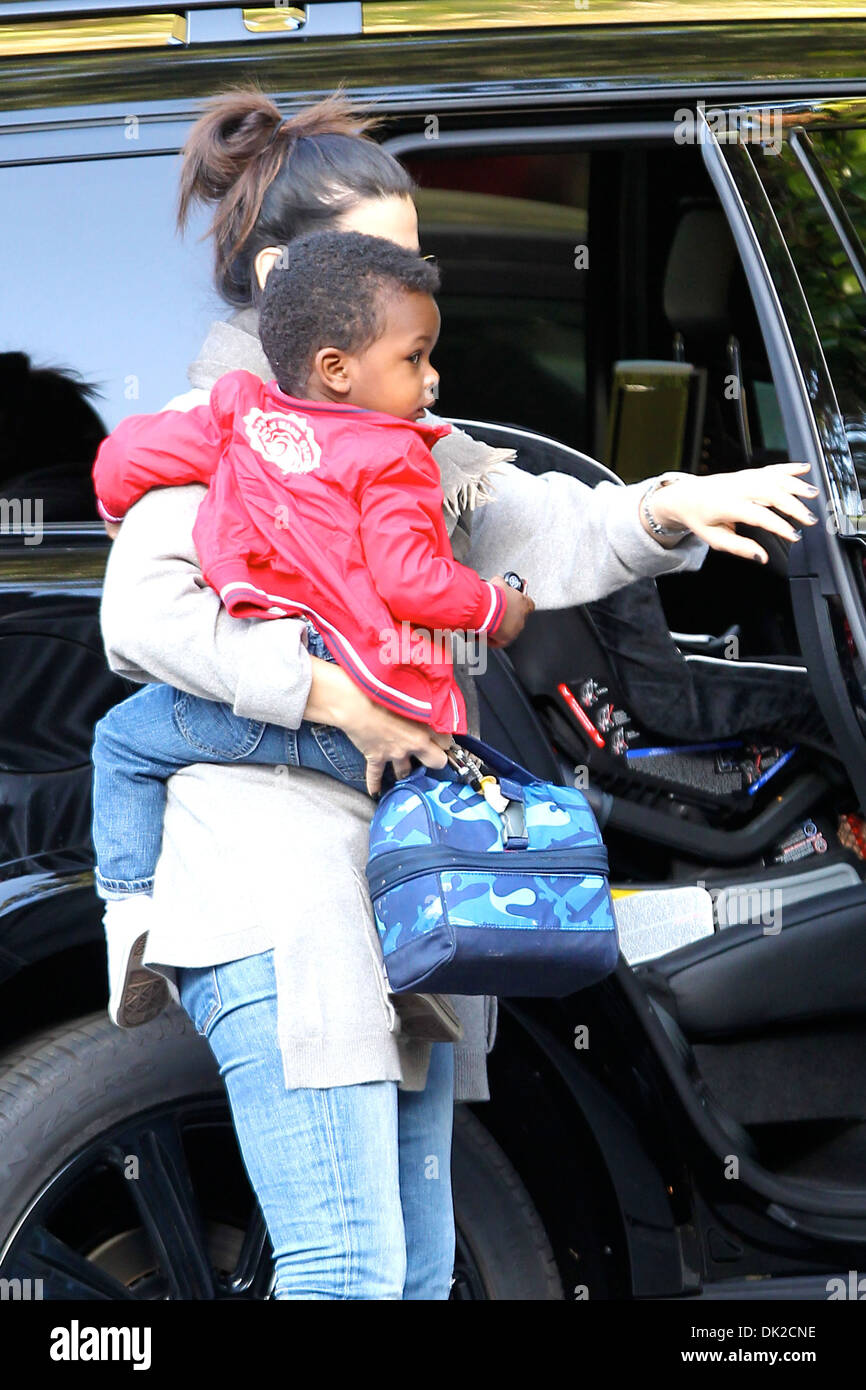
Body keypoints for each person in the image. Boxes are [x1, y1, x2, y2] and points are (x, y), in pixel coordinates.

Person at [97, 85, 819, 1300]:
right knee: (346, 1268)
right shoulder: (221, 433)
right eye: (384, 259)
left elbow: (536, 516)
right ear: (291, 281)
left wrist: (662, 505)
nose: (418, 288)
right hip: (288, 906)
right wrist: (337, 702)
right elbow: (146, 615)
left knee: (418, 1269)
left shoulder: (409, 446)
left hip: (405, 910)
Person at [90, 229, 532, 1032]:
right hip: (387, 696)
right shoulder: (395, 454)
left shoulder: (237, 415)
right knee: (401, 818)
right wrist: (496, 607)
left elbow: (126, 456)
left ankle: (130, 918)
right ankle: (414, 967)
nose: (433, 378)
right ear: (337, 369)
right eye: (416, 358)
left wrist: (117, 511)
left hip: (318, 696)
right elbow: (413, 580)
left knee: (122, 744)